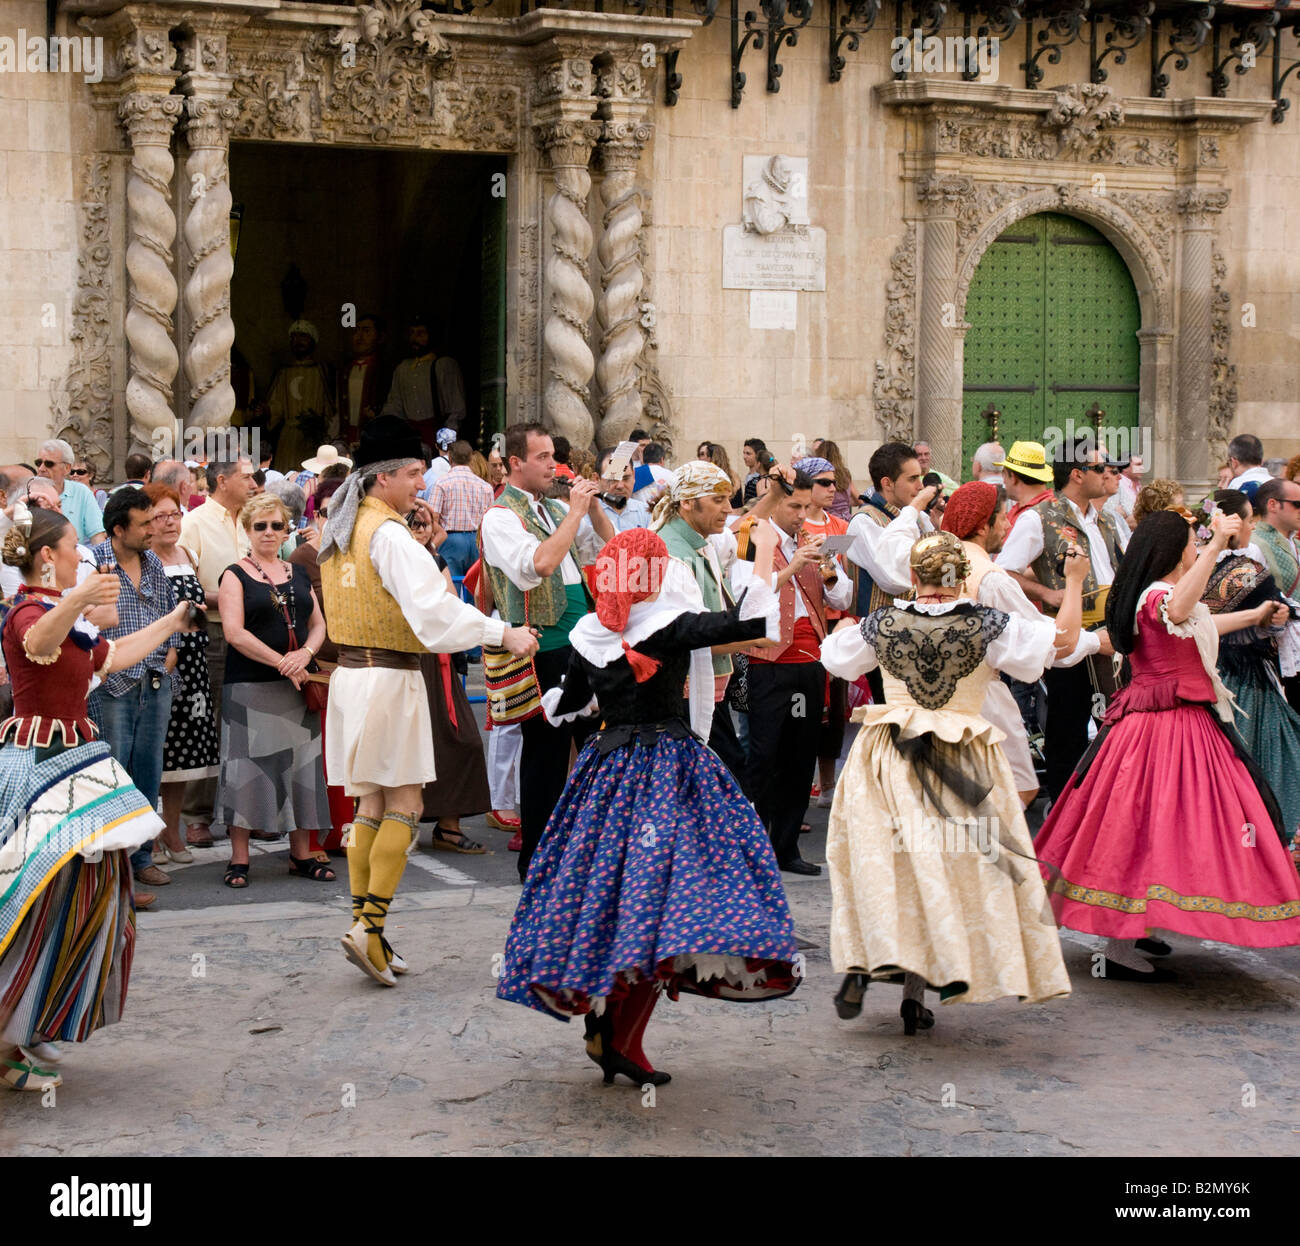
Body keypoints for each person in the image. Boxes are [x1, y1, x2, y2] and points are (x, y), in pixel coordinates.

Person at [496, 526, 799, 1087]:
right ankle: (621, 1039)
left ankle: (610, 1028)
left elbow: (563, 706)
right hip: (669, 769)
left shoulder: (590, 631)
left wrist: (601, 693)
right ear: (654, 572)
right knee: (666, 902)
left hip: (605, 772)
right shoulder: (669, 623)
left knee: (609, 898)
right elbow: (760, 628)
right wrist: (760, 556)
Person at [820, 531, 1077, 1034]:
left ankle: (878, 963)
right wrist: (1073, 583)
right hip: (961, 759)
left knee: (892, 867)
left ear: (913, 579)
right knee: (956, 871)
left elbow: (837, 659)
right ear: (960, 577)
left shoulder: (883, 623)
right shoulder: (988, 624)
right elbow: (1058, 647)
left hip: (891, 753)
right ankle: (942, 973)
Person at [1034, 508, 1300, 977]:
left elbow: (1197, 624)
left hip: (1171, 721)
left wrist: (1253, 615)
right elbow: (1179, 611)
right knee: (1145, 828)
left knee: (1154, 828)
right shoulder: (1156, 595)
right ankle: (1116, 944)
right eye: (1192, 544)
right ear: (1177, 551)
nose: (1198, 548)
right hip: (1161, 725)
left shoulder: (1158, 595)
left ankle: (1140, 925)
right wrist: (1218, 542)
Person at [318, 416, 536, 984]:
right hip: (389, 680)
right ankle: (369, 930)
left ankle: (367, 929)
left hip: (353, 678)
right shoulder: (386, 533)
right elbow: (435, 611)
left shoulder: (343, 526)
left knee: (371, 805)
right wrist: (503, 633)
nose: (422, 483)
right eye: (415, 473)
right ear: (384, 476)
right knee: (406, 806)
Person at [0, 506, 195, 1090]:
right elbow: (39, 639)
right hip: (40, 763)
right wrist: (82, 594)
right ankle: (10, 1042)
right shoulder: (27, 613)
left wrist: (172, 621)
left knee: (85, 890)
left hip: (77, 760)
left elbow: (117, 655)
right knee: (33, 892)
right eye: (74, 554)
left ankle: (28, 1026)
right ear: (47, 559)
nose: (84, 562)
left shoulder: (73, 619)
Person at [479, 423, 614, 882]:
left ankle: (585, 853)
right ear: (515, 462)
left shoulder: (551, 505)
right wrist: (574, 513)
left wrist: (590, 505)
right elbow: (537, 566)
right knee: (547, 755)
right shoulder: (501, 515)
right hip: (544, 647)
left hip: (583, 643)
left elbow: (608, 546)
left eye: (553, 456)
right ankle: (536, 860)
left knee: (595, 749)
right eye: (542, 457)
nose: (553, 466)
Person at [942, 480, 1100, 808]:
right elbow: (1058, 645)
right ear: (983, 526)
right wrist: (1073, 582)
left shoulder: (940, 567)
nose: (1007, 523)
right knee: (1015, 788)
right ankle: (982, 857)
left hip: (937, 699)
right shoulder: (991, 578)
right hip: (981, 696)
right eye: (1001, 517)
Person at [734, 468, 854, 875]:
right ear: (778, 503)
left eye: (807, 506)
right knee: (765, 754)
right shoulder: (757, 540)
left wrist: (831, 565)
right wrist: (794, 563)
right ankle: (757, 847)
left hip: (809, 664)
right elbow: (749, 595)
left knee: (800, 754)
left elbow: (841, 596)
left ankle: (786, 849)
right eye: (795, 505)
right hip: (768, 662)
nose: (803, 514)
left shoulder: (811, 542)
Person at [216, 491, 333, 887]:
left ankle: (301, 854)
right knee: (246, 770)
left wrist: (305, 653)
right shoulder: (234, 574)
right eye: (260, 526)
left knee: (302, 768)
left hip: (298, 684)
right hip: (251, 683)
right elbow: (234, 632)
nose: (268, 532)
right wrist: (281, 661)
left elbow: (318, 624)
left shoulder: (298, 572)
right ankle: (239, 858)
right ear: (247, 530)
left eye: (276, 525)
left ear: (287, 530)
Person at [996, 435, 1116, 801]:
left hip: (1111, 634)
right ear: (1077, 475)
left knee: (1116, 726)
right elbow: (1002, 573)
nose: (1110, 473)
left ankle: (1104, 807)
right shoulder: (1038, 518)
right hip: (1070, 636)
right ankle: (1064, 816)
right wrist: (1049, 593)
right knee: (1068, 729)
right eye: (1102, 468)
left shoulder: (1105, 519)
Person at [89, 487, 183, 894]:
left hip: (155, 682)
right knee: (113, 772)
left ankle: (141, 857)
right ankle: (113, 865)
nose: (152, 529)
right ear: (117, 529)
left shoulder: (154, 565)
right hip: (111, 684)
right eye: (144, 523)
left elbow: (171, 617)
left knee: (148, 770)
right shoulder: (91, 564)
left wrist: (167, 659)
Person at [1197, 489, 1300, 851]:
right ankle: (1256, 838)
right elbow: (1269, 617)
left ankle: (1232, 836)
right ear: (1234, 523)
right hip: (1241, 677)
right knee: (1258, 754)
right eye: (1249, 519)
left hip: (1208, 669)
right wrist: (1279, 616)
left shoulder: (1193, 559)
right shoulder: (1242, 567)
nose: (1253, 525)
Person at [649, 460, 749, 780]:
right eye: (718, 500)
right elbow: (684, 636)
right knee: (719, 776)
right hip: (683, 689)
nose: (728, 509)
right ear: (688, 504)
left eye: (728, 499)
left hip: (703, 682)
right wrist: (756, 635)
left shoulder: (698, 543)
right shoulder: (672, 553)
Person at [177, 459, 254, 847]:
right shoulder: (195, 522)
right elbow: (183, 585)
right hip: (214, 633)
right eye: (247, 476)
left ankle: (250, 810)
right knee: (207, 721)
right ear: (222, 481)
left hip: (255, 632)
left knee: (248, 721)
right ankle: (197, 815)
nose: (254, 482)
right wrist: (232, 597)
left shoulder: (255, 519)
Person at [407, 509, 492, 848]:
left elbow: (449, 605)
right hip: (406, 657)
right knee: (410, 744)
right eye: (413, 524)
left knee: (461, 739)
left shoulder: (435, 558)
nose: (420, 530)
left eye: (424, 524)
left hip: (436, 657)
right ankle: (402, 822)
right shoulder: (395, 558)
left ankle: (448, 824)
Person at [146, 483, 219, 867]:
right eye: (161, 516)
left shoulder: (187, 554)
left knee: (186, 754)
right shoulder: (143, 560)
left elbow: (200, 603)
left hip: (195, 663)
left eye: (175, 513)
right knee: (157, 751)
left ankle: (172, 828)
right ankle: (151, 831)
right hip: (162, 662)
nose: (171, 522)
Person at [844, 442, 939, 703]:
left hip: (919, 638)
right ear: (887, 483)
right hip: (882, 644)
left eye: (920, 478)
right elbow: (894, 577)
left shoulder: (919, 519)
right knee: (894, 724)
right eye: (912, 479)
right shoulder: (865, 522)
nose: (920, 486)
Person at [288, 479, 351, 860]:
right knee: (319, 759)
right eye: (328, 511)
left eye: (343, 512)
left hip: (354, 665)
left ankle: (346, 834)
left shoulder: (354, 553)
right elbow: (297, 618)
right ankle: (316, 839)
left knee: (350, 755)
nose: (335, 519)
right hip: (318, 667)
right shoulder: (303, 557)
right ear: (316, 514)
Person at [796, 455, 854, 808]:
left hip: (834, 619)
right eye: (825, 483)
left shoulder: (840, 526)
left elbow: (843, 575)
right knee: (806, 706)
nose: (834, 489)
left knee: (836, 706)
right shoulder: (795, 523)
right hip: (805, 622)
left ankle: (828, 782)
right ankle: (800, 784)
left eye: (835, 482)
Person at [1251, 476, 1300, 714]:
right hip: (1276, 649)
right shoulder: (1256, 544)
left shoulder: (1293, 542)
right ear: (1273, 505)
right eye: (1297, 504)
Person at [265, 320, 335, 474]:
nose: (298, 341)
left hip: (314, 438)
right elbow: (277, 405)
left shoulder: (322, 371)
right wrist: (267, 411)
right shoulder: (284, 372)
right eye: (294, 338)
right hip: (289, 437)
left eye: (303, 336)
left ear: (312, 340)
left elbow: (330, 407)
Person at [383, 315, 466, 444]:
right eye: (412, 333)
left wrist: (446, 442)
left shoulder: (444, 365)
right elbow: (394, 405)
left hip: (437, 435)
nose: (414, 338)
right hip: (410, 438)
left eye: (420, 333)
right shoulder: (402, 368)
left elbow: (456, 409)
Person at [428, 440, 494, 582]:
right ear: (471, 458)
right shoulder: (486, 487)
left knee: (451, 586)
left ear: (450, 457)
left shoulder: (442, 483)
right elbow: (491, 520)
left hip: (451, 540)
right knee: (475, 586)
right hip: (477, 540)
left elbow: (433, 516)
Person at [35, 439, 104, 546]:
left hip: (74, 558)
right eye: (38, 463)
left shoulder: (82, 492)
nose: (41, 468)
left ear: (67, 468)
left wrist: (103, 561)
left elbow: (98, 535)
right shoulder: (27, 492)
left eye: (49, 464)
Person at [337, 312, 388, 447]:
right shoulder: (345, 369)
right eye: (356, 331)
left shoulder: (385, 369)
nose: (359, 336)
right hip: (346, 436)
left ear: (380, 337)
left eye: (366, 331)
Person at [995, 441, 1054, 530]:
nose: (1003, 480)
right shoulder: (1054, 507)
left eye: (1004, 473)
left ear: (1013, 478)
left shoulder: (1031, 517)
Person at [596, 448, 653, 532]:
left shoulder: (646, 512)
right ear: (597, 479)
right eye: (612, 480)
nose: (620, 486)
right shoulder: (585, 515)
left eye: (626, 478)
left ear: (633, 475)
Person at [631, 442, 673, 507]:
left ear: (643, 459)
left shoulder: (633, 474)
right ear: (662, 459)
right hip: (663, 514)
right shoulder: (671, 475)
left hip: (639, 514)